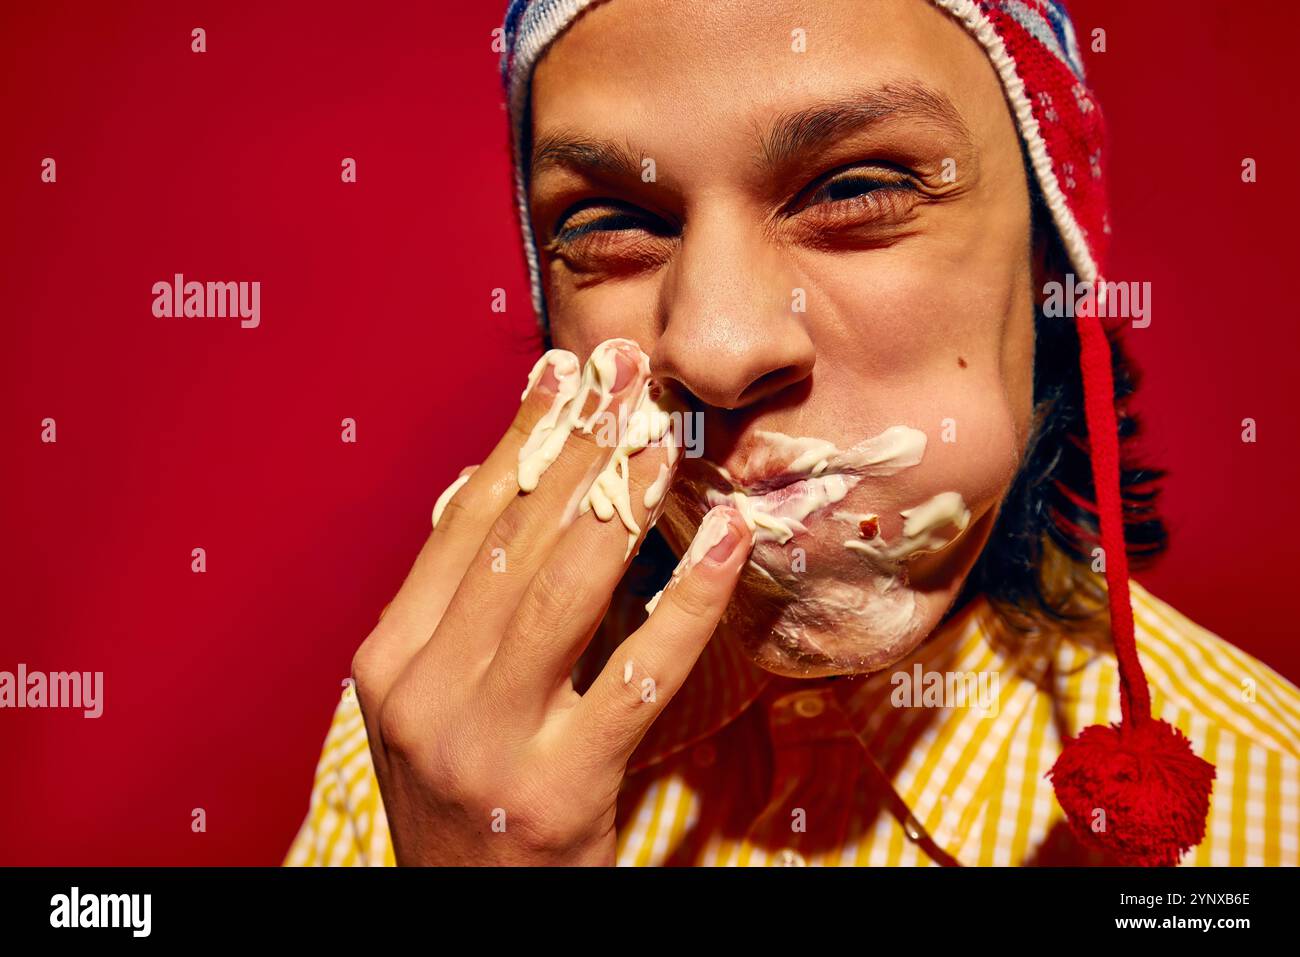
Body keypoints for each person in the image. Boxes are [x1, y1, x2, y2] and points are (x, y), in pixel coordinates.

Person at [285, 0, 1300, 867]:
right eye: (606, 221)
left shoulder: (1270, 816)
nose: (716, 350)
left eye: (856, 189)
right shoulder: (428, 744)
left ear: (1052, 255)